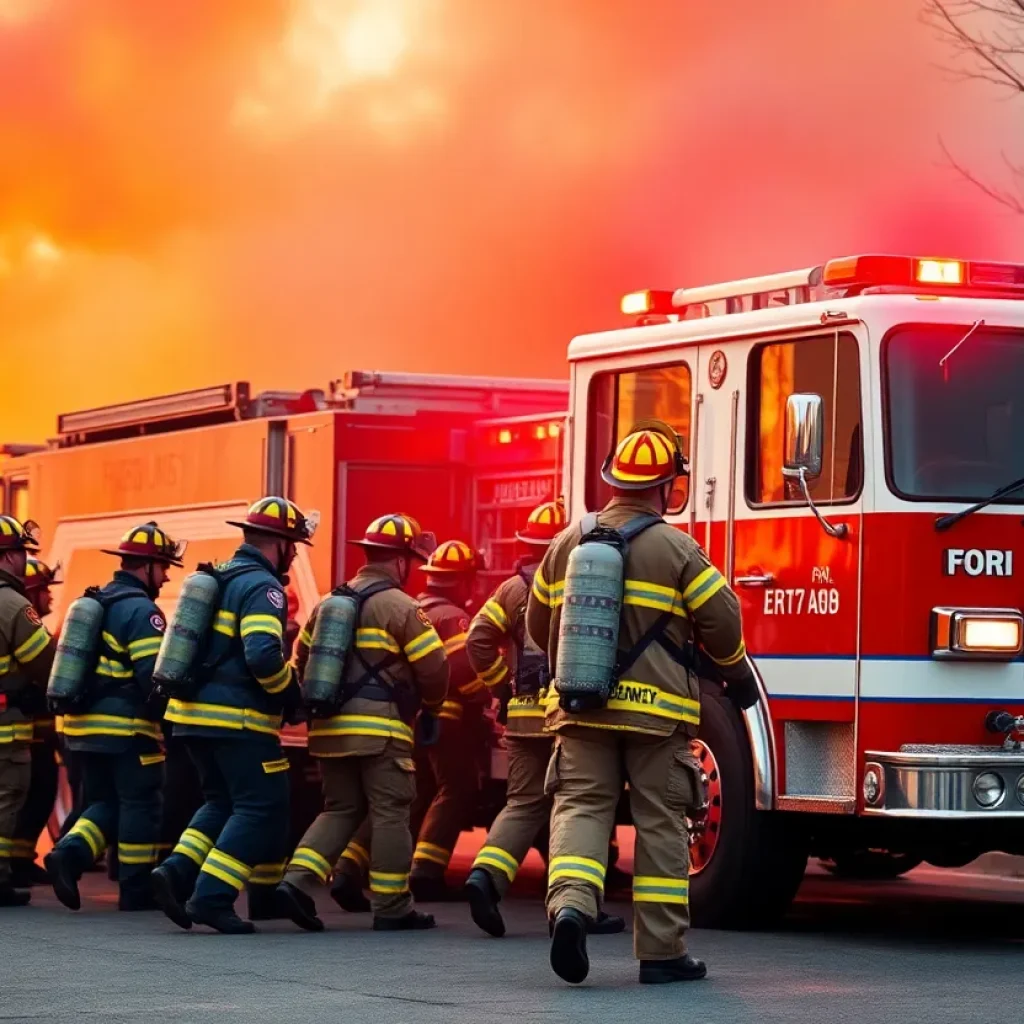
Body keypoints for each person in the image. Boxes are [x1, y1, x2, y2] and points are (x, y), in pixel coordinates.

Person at [526, 421, 760, 985]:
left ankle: (572, 911)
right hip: (657, 715)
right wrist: (731, 671)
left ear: (614, 482)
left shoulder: (567, 542)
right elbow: (723, 620)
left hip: (581, 707)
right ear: (665, 488)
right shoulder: (677, 548)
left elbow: (536, 624)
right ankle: (660, 953)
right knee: (660, 822)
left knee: (581, 808)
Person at [275, 513, 449, 933]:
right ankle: (391, 905)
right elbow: (435, 668)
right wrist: (431, 706)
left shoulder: (330, 604)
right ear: (402, 561)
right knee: (391, 811)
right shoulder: (402, 607)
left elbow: (301, 663)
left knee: (341, 809)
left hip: (330, 730)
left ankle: (296, 883)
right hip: (380, 733)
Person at [462, 499, 624, 939]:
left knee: (524, 803)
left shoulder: (511, 590)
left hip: (522, 717)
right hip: (565, 712)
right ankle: (579, 905)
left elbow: (478, 639)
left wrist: (500, 686)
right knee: (579, 803)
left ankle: (485, 876)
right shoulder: (585, 577)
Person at [153, 497, 313, 934]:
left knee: (221, 802)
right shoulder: (263, 587)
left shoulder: (219, 576)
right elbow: (262, 654)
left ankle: (176, 872)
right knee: (262, 806)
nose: (295, 553)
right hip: (237, 721)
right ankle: (211, 898)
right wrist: (290, 693)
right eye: (293, 544)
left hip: (191, 717)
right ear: (278, 544)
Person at [45, 522, 185, 912]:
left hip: (82, 730)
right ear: (148, 566)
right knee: (141, 801)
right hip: (125, 729)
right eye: (164, 567)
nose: (167, 575)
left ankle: (69, 853)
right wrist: (168, 724)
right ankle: (135, 889)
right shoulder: (142, 611)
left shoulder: (97, 601)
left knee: (104, 801)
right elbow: (153, 677)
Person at [0, 516, 57, 907]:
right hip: (5, 726)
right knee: (6, 796)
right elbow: (46, 664)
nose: (24, 559)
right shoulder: (12, 604)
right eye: (21, 551)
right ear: (7, 556)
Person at [10, 558, 61, 887]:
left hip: (36, 731)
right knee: (27, 795)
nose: (50, 596)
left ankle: (21, 859)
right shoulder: (20, 619)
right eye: (43, 589)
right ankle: (15, 863)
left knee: (39, 794)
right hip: (24, 730)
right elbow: (44, 671)